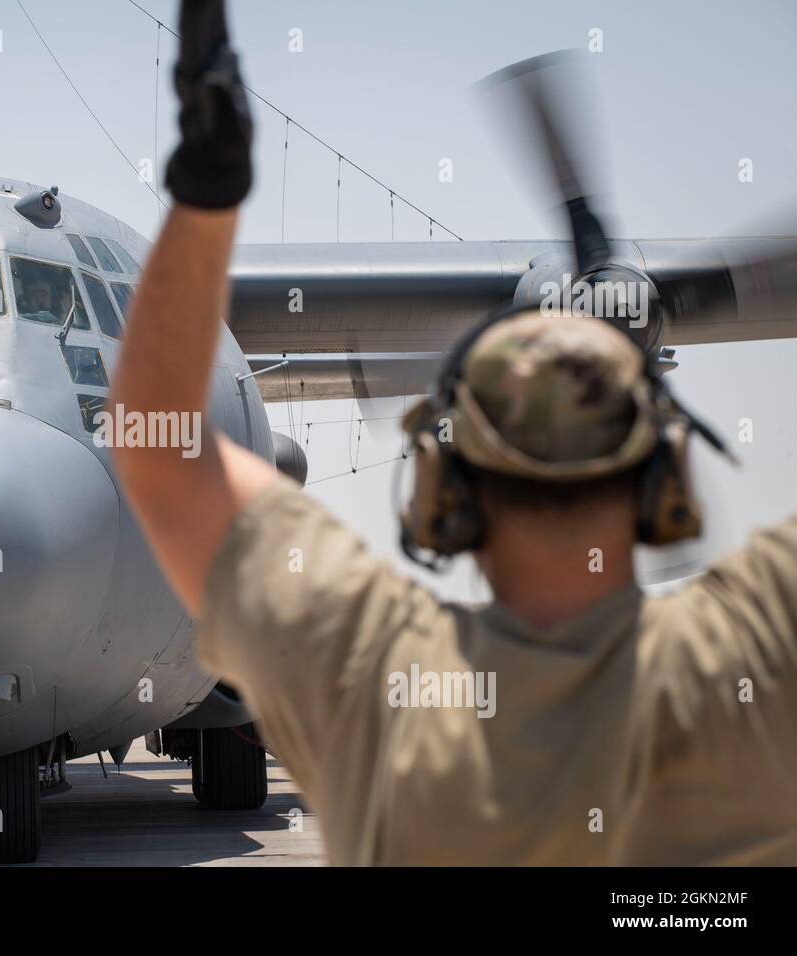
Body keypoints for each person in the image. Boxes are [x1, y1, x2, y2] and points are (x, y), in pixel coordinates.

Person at [107, 0, 797, 865]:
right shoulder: (766, 646)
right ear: (669, 480)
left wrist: (204, 199)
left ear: (443, 495)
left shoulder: (373, 682)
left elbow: (161, 451)